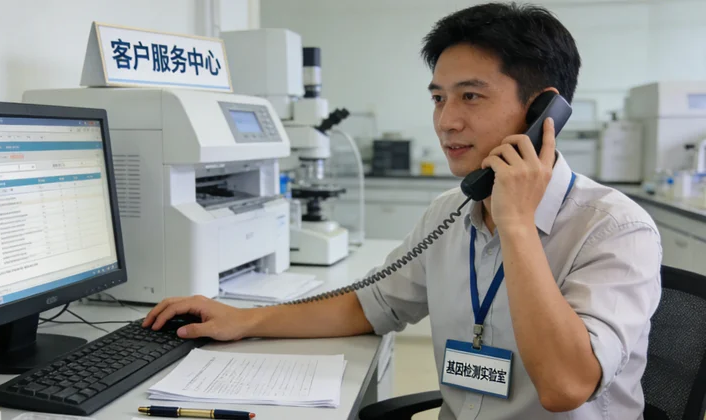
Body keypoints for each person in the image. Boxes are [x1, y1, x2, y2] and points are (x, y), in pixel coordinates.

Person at [143, 2, 662, 418]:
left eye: (471, 97)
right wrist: (245, 320)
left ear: (542, 112)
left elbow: (566, 386)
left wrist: (517, 224)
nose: (446, 122)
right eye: (439, 98)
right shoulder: (449, 212)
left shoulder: (614, 229)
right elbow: (369, 305)